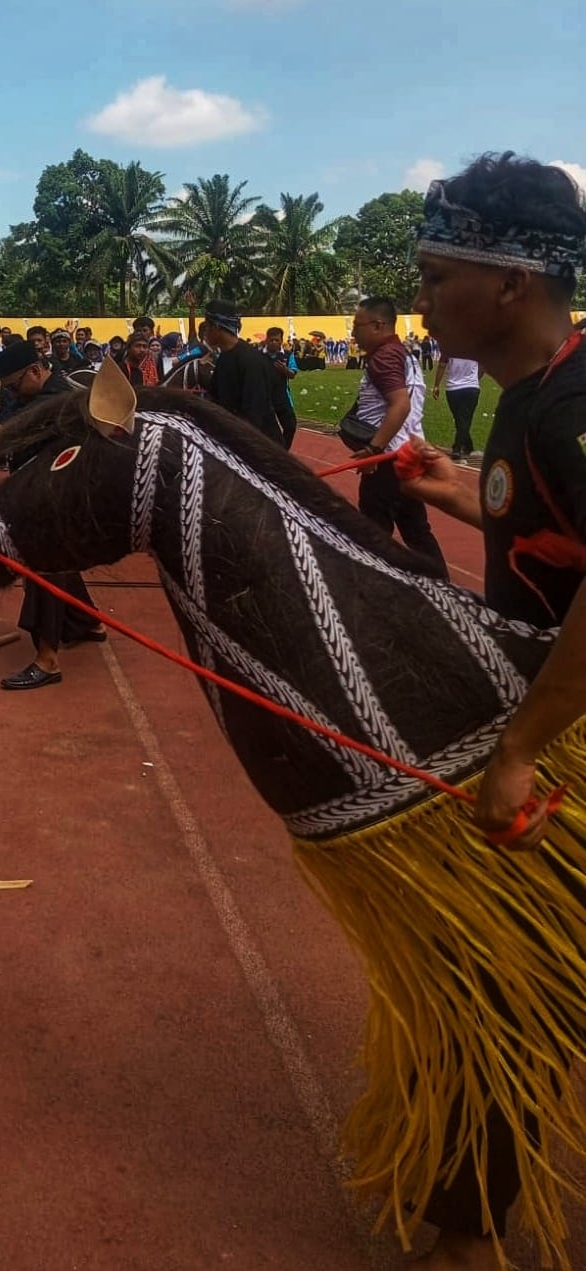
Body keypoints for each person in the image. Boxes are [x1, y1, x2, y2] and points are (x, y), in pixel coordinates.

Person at [396, 152, 586, 1270]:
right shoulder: (531, 400)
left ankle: (469, 1240)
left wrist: (519, 745)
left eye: (435, 271)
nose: (421, 296)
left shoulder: (570, 406)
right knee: (498, 986)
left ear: (510, 280)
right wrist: (463, 494)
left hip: (556, 747)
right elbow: (551, 537)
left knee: (508, 993)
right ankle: (466, 1220)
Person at [0, 340, 106, 689]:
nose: (13, 392)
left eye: (15, 384)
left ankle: (47, 660)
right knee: (63, 565)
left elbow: (9, 429)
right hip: (46, 491)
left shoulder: (56, 397)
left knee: (45, 571)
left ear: (35, 370)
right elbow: (7, 421)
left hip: (64, 496)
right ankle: (89, 623)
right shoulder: (32, 393)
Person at [347, 296, 448, 576]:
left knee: (372, 532)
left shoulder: (384, 357)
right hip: (406, 453)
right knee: (416, 529)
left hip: (387, 459)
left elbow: (400, 404)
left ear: (378, 326)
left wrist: (372, 450)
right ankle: (442, 585)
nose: (354, 332)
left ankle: (372, 587)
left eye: (358, 325)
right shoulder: (401, 353)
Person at [203, 301, 284, 445]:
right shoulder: (224, 358)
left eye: (206, 327)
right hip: (234, 440)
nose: (204, 332)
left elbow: (254, 415)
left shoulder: (251, 361)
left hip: (259, 446)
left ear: (215, 327)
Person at [431, 351, 481, 462]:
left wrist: (436, 385)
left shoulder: (451, 345)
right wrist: (475, 379)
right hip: (471, 387)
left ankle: (457, 447)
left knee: (461, 419)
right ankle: (467, 446)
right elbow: (483, 365)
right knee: (463, 420)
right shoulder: (475, 346)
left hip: (453, 388)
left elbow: (442, 365)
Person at [262, 326, 299, 449]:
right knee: (270, 431)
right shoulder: (258, 355)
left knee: (290, 426)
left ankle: (284, 451)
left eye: (276, 340)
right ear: (266, 340)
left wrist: (284, 370)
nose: (274, 343)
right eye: (271, 340)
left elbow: (293, 374)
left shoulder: (288, 356)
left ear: (281, 341)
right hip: (264, 397)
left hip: (282, 396)